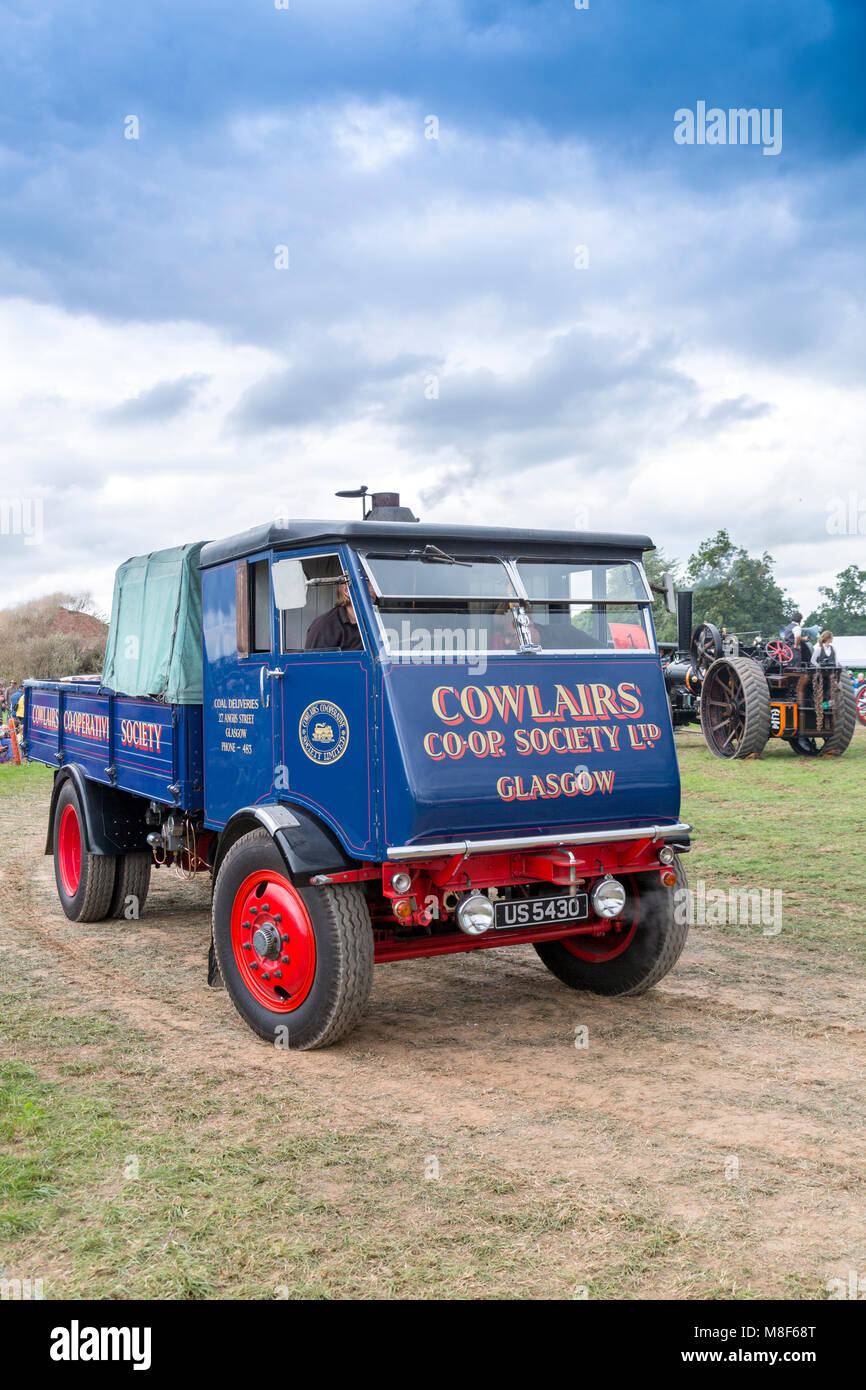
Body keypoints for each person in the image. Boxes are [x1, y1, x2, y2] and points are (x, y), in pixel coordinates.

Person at [305, 582, 364, 651]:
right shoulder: (324, 626)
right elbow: (315, 661)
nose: (374, 589)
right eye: (367, 583)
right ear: (346, 590)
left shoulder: (377, 623)